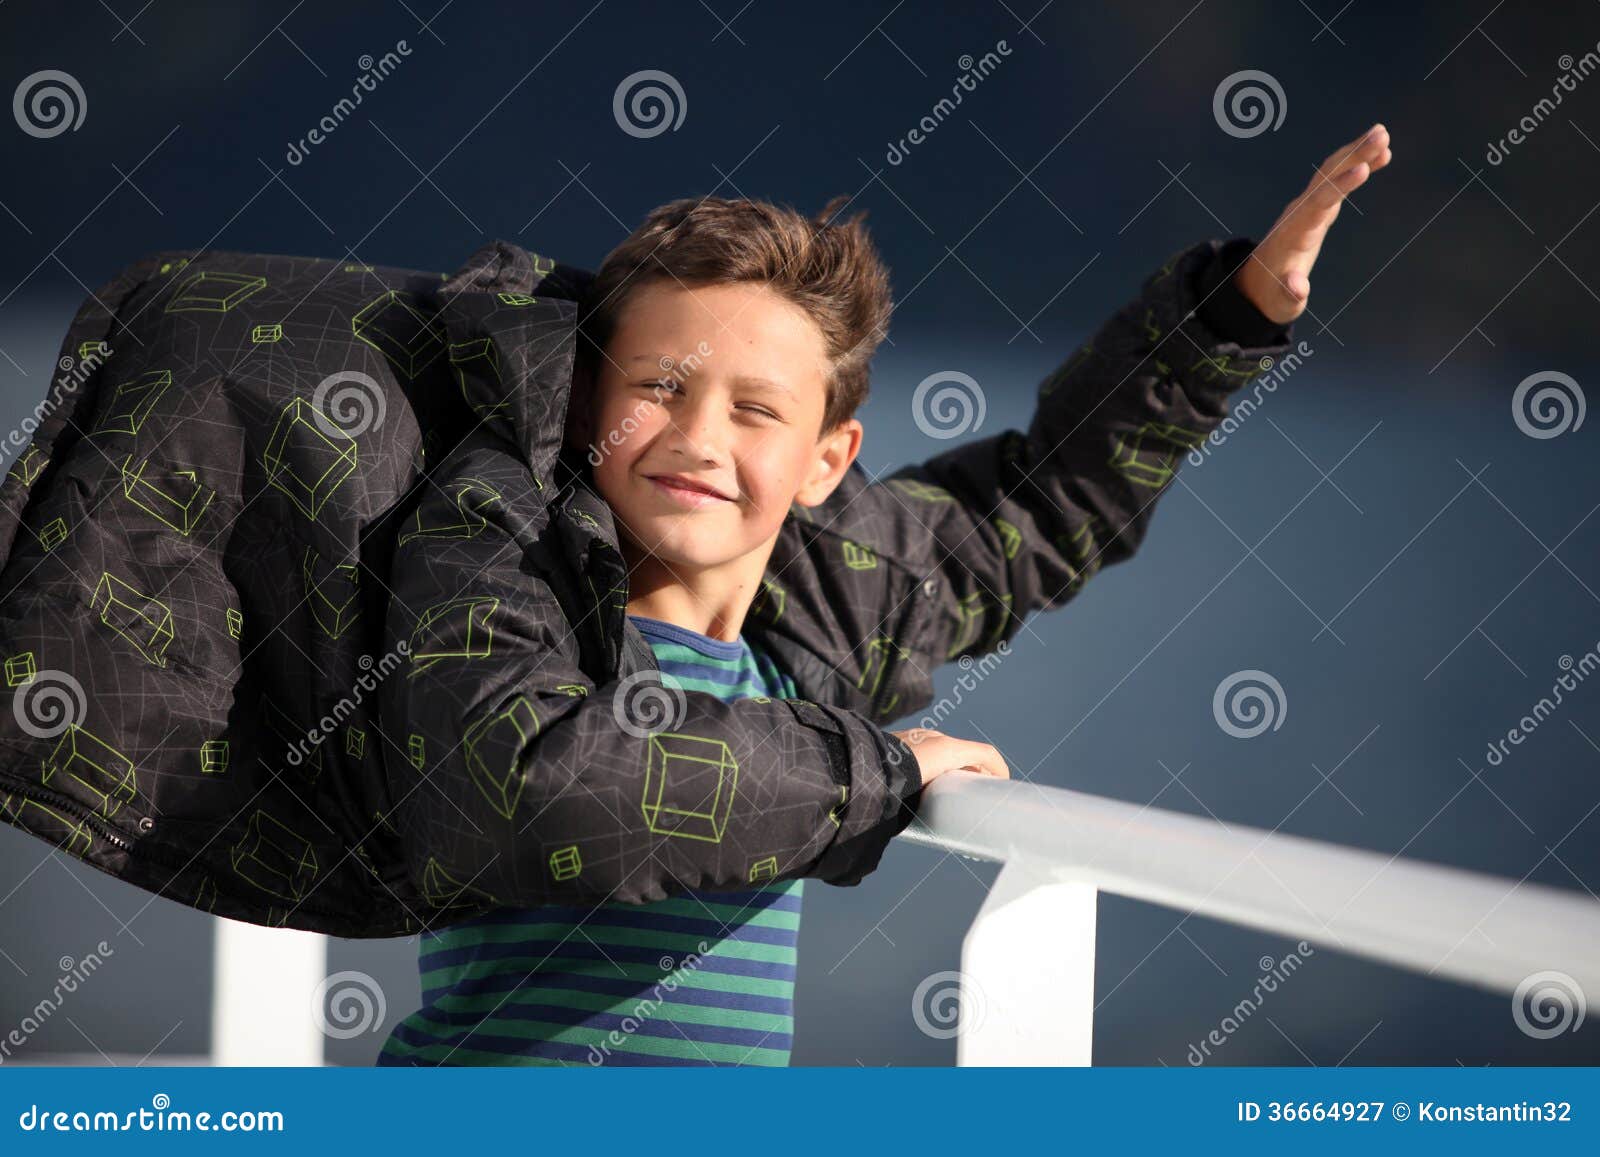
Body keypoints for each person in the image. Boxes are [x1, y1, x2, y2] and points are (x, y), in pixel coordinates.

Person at [376, 123, 1394, 1065]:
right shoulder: (513, 588)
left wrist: (1231, 316)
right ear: (587, 399)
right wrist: (880, 770)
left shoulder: (819, 618)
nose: (698, 439)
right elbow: (546, 786)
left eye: (756, 409)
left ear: (827, 459)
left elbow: (1036, 508)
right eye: (658, 387)